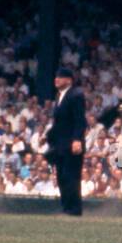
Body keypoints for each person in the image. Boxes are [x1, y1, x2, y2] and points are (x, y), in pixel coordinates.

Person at [45, 67, 87, 216]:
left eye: (61, 76)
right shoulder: (59, 96)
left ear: (69, 80)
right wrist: (49, 135)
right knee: (62, 176)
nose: (56, 79)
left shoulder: (76, 94)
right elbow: (59, 123)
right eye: (56, 76)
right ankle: (66, 207)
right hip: (60, 144)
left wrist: (77, 139)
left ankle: (74, 209)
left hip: (71, 143)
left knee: (71, 176)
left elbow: (80, 120)